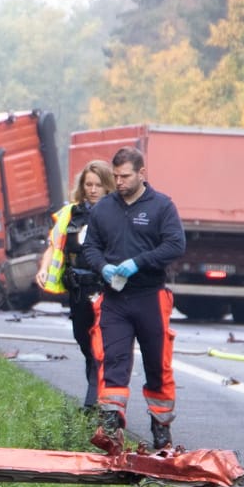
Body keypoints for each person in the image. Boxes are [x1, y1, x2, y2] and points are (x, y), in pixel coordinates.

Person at [82, 147, 186, 453]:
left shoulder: (161, 206)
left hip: (150, 296)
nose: (119, 182)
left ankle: (161, 427)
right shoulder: (104, 209)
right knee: (112, 360)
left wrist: (138, 262)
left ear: (142, 173)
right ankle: (111, 426)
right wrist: (102, 266)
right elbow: (90, 247)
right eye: (115, 176)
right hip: (114, 299)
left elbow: (175, 245)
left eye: (125, 176)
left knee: (157, 365)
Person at [35, 160, 115, 411]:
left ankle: (94, 401)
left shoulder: (117, 213)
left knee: (101, 345)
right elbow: (54, 246)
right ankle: (96, 392)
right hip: (78, 290)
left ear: (107, 186)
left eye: (98, 185)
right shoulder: (70, 214)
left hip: (105, 291)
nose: (93, 190)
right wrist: (44, 268)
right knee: (83, 340)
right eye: (88, 184)